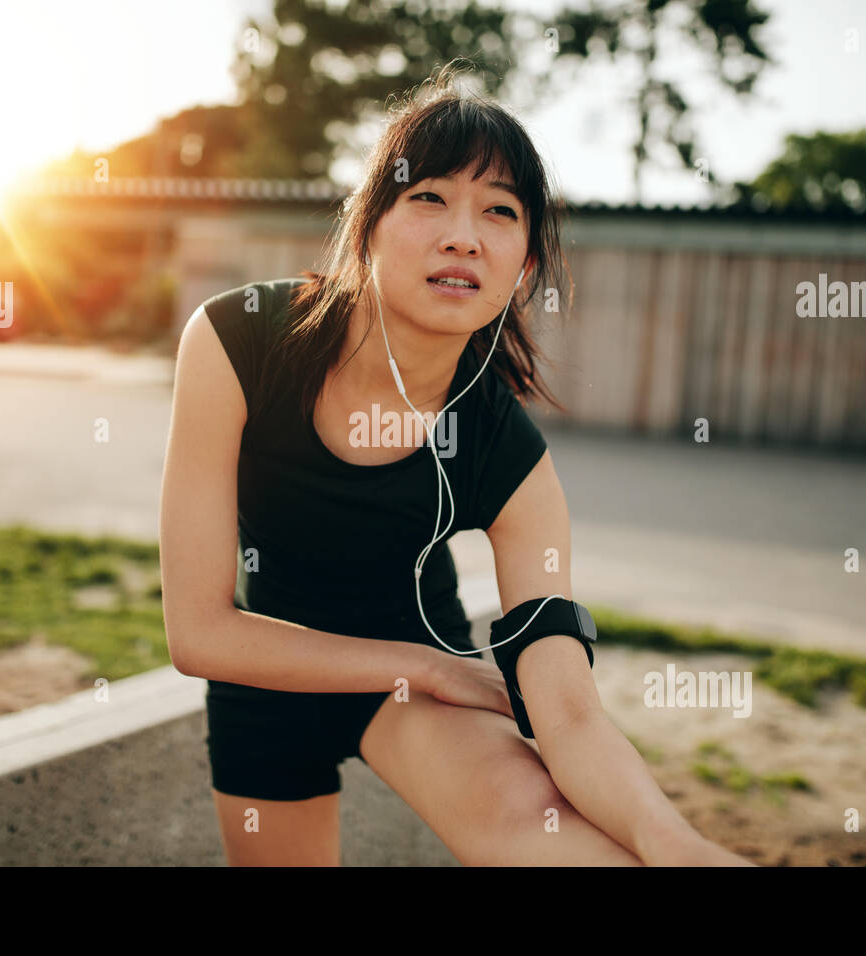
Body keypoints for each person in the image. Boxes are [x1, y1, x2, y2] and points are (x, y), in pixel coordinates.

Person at [159, 60, 757, 866]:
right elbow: (199, 632)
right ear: (366, 225)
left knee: (535, 827)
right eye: (429, 197)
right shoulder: (240, 341)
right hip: (269, 676)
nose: (463, 235)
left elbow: (568, 711)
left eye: (499, 213)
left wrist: (673, 843)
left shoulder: (506, 456)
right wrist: (425, 666)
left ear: (523, 272)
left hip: (420, 694)